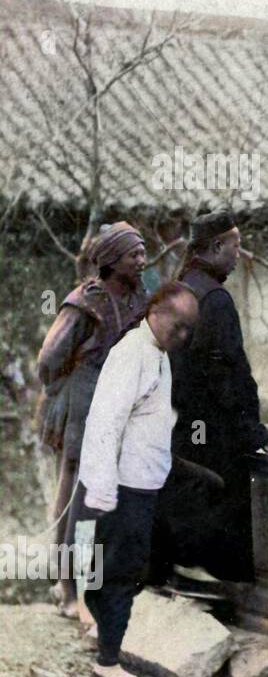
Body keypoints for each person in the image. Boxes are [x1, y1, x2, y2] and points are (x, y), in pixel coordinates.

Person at [75, 283, 199, 677]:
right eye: (178, 327)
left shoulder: (157, 353)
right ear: (156, 312)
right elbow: (104, 423)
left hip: (147, 479)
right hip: (123, 485)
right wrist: (103, 490)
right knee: (121, 571)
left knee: (133, 565)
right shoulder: (132, 354)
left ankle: (105, 638)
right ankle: (107, 666)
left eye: (188, 331)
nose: (182, 337)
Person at [37, 222, 148, 620]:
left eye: (143, 251)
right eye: (134, 254)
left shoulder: (140, 299)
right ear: (111, 259)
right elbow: (49, 360)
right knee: (75, 494)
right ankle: (67, 589)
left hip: (120, 401)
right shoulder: (83, 303)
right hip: (83, 403)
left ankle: (101, 586)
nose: (142, 260)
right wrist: (67, 399)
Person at [166, 211, 268, 587]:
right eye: (235, 246)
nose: (239, 254)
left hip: (184, 421)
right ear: (215, 247)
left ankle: (190, 583)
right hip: (213, 425)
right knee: (223, 499)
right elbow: (228, 371)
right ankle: (226, 594)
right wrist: (250, 427)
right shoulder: (215, 298)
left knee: (193, 497)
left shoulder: (181, 288)